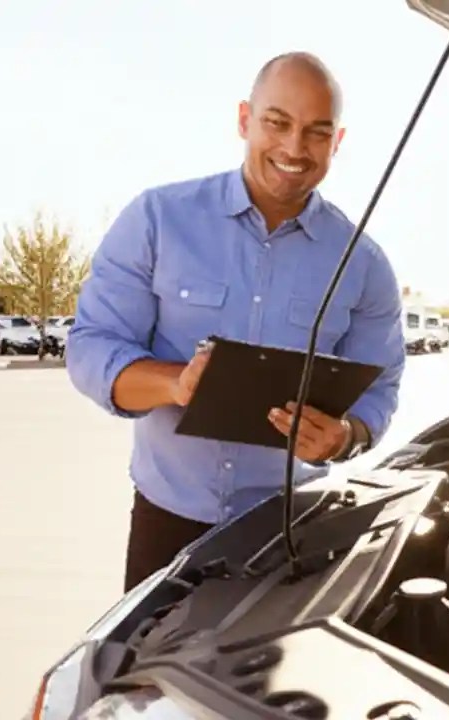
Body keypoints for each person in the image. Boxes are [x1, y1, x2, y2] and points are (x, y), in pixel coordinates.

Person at [66, 52, 407, 592]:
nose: (295, 149)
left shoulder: (364, 264)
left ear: (336, 142)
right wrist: (174, 383)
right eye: (278, 123)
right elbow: (90, 348)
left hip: (295, 534)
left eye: (316, 133)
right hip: (166, 523)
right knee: (144, 679)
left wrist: (345, 436)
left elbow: (381, 387)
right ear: (245, 119)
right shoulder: (157, 219)